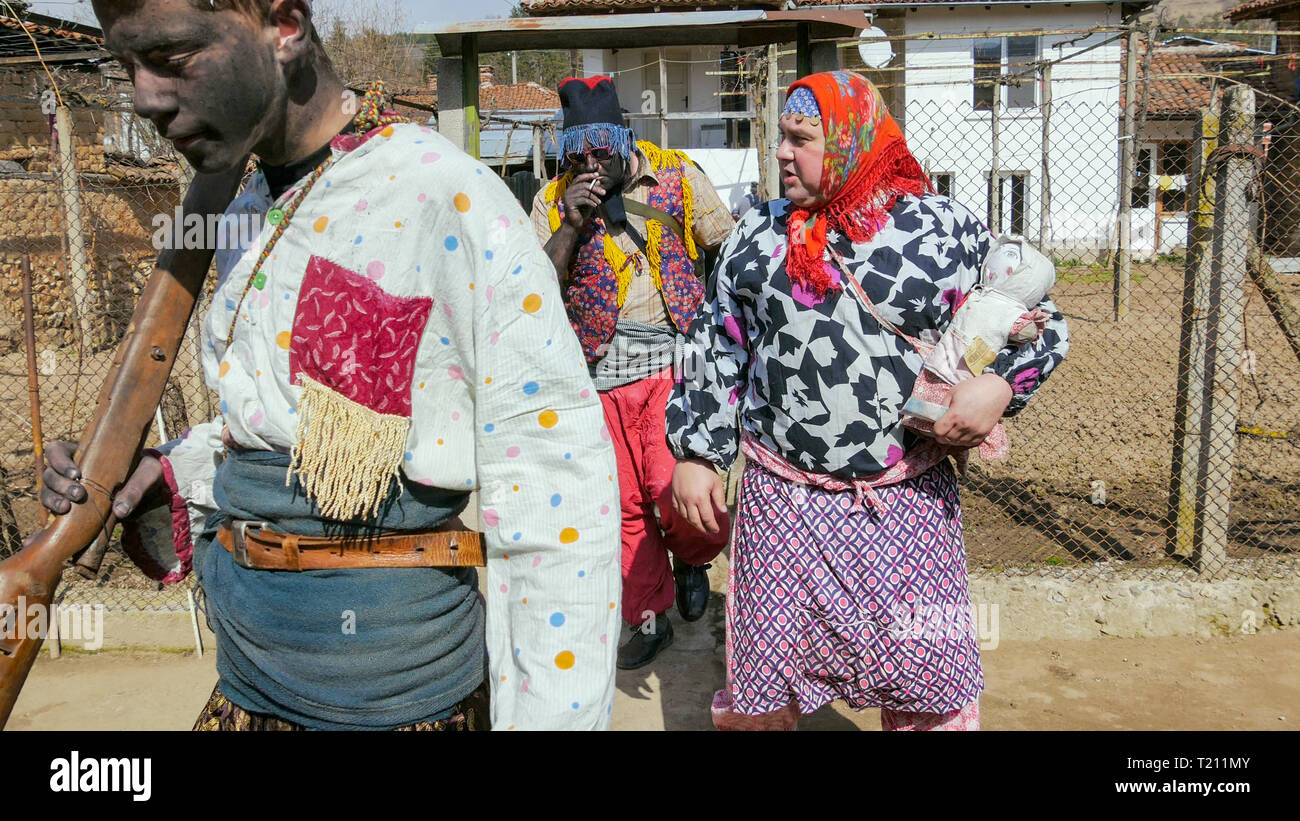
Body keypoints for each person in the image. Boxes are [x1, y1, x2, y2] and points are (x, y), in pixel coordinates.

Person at [40, 0, 621, 731]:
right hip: (248, 694)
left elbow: (557, 491)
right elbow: (273, 429)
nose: (144, 97)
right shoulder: (240, 208)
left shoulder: (445, 196)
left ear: (283, 25)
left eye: (172, 57)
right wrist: (164, 474)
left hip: (399, 710)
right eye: (128, 66)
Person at [666, 71, 1068, 730]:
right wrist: (696, 452)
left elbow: (1042, 318)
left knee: (929, 687)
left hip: (906, 504)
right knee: (764, 691)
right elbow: (713, 347)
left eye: (802, 139)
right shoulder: (755, 238)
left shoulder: (944, 234)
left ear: (851, 141)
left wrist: (998, 385)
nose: (783, 154)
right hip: (782, 508)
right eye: (781, 138)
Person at [530, 76, 734, 669]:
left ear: (624, 139)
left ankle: (693, 559)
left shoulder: (678, 175)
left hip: (674, 368)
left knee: (678, 491)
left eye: (601, 150)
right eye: (578, 154)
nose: (591, 164)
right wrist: (570, 225)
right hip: (595, 378)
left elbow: (727, 253)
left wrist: (718, 349)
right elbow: (533, 292)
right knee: (621, 510)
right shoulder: (550, 201)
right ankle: (648, 617)